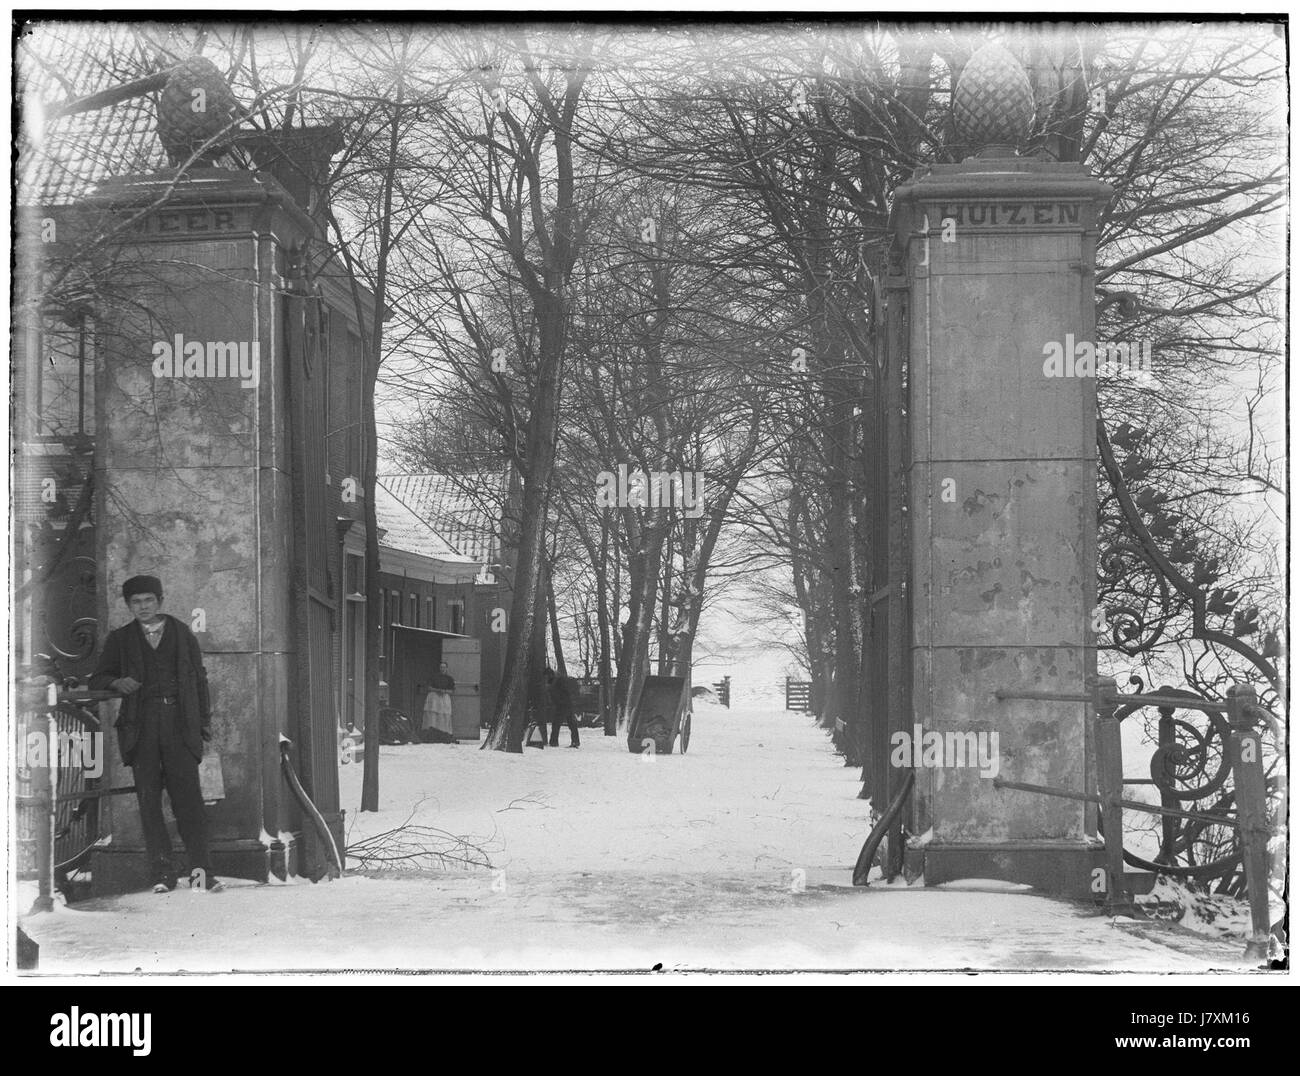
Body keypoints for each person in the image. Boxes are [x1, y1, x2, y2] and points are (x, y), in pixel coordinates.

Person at [89, 575, 222, 893]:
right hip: (141, 727)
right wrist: (116, 683)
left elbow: (199, 679)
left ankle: (201, 875)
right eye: (136, 602)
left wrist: (202, 722)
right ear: (128, 606)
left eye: (148, 600)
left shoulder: (181, 633)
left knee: (189, 803)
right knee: (149, 805)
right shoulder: (120, 639)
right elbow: (98, 679)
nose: (143, 606)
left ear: (159, 601)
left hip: (179, 725)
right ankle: (163, 875)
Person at [420, 661, 457, 744]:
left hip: (444, 699)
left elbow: (452, 690)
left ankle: (444, 735)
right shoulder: (433, 677)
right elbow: (428, 687)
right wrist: (437, 690)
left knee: (444, 716)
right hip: (434, 699)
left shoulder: (449, 679)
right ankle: (431, 735)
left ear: (446, 669)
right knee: (433, 716)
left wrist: (444, 691)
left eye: (444, 667)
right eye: (441, 667)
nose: (442, 669)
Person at [547, 667, 580, 748]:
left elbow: (561, 693)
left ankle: (553, 742)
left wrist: (559, 701)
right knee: (572, 724)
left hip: (562, 705)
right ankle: (575, 741)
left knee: (556, 724)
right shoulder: (559, 680)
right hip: (567, 704)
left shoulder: (557, 681)